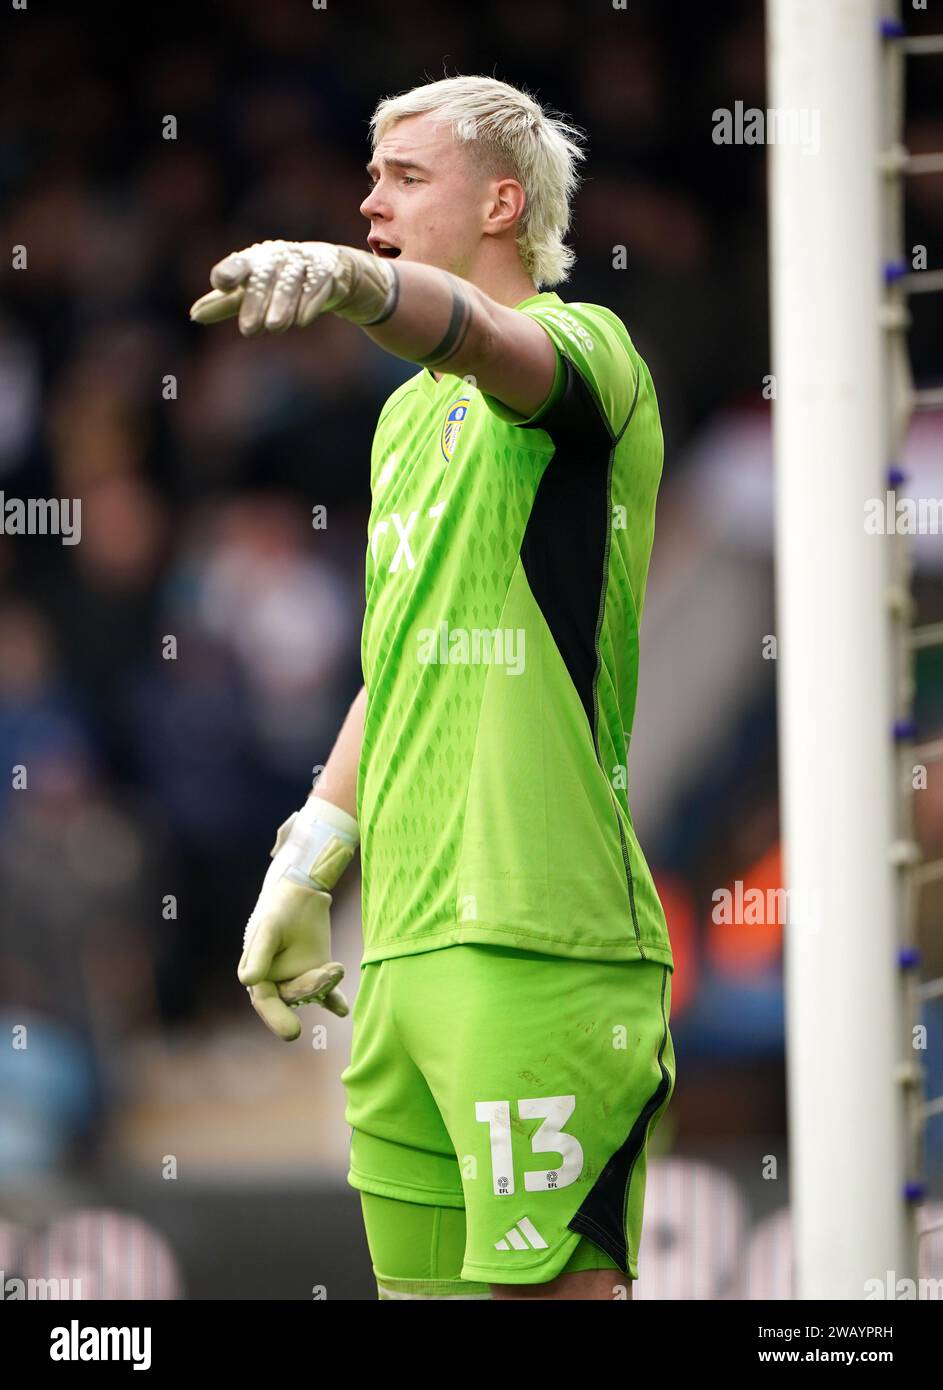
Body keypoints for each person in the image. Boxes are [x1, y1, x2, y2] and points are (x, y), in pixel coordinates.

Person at [191, 74, 676, 1302]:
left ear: (502, 201)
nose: (368, 201)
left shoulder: (586, 353)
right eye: (369, 177)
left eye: (404, 175)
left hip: (537, 941)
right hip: (404, 954)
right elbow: (396, 662)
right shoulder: (401, 422)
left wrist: (366, 291)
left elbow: (488, 341)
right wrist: (306, 861)